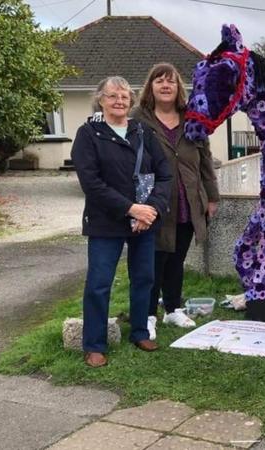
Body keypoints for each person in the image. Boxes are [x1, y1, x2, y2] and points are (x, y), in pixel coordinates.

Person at [71, 76, 171, 368]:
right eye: (113, 96)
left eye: (125, 97)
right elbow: (91, 183)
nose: (119, 101)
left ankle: (140, 331)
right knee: (99, 284)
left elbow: (165, 174)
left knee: (144, 279)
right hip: (106, 221)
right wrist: (131, 209)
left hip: (144, 221)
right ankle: (94, 344)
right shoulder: (88, 133)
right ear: (100, 99)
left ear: (132, 101)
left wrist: (150, 210)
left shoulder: (143, 131)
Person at [132, 63, 220, 339]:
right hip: (155, 202)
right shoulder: (138, 119)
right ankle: (147, 315)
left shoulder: (192, 118)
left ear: (178, 87)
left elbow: (205, 158)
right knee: (154, 261)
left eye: (170, 81)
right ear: (151, 87)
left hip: (188, 200)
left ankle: (172, 308)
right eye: (159, 81)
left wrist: (212, 196)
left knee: (177, 259)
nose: (165, 86)